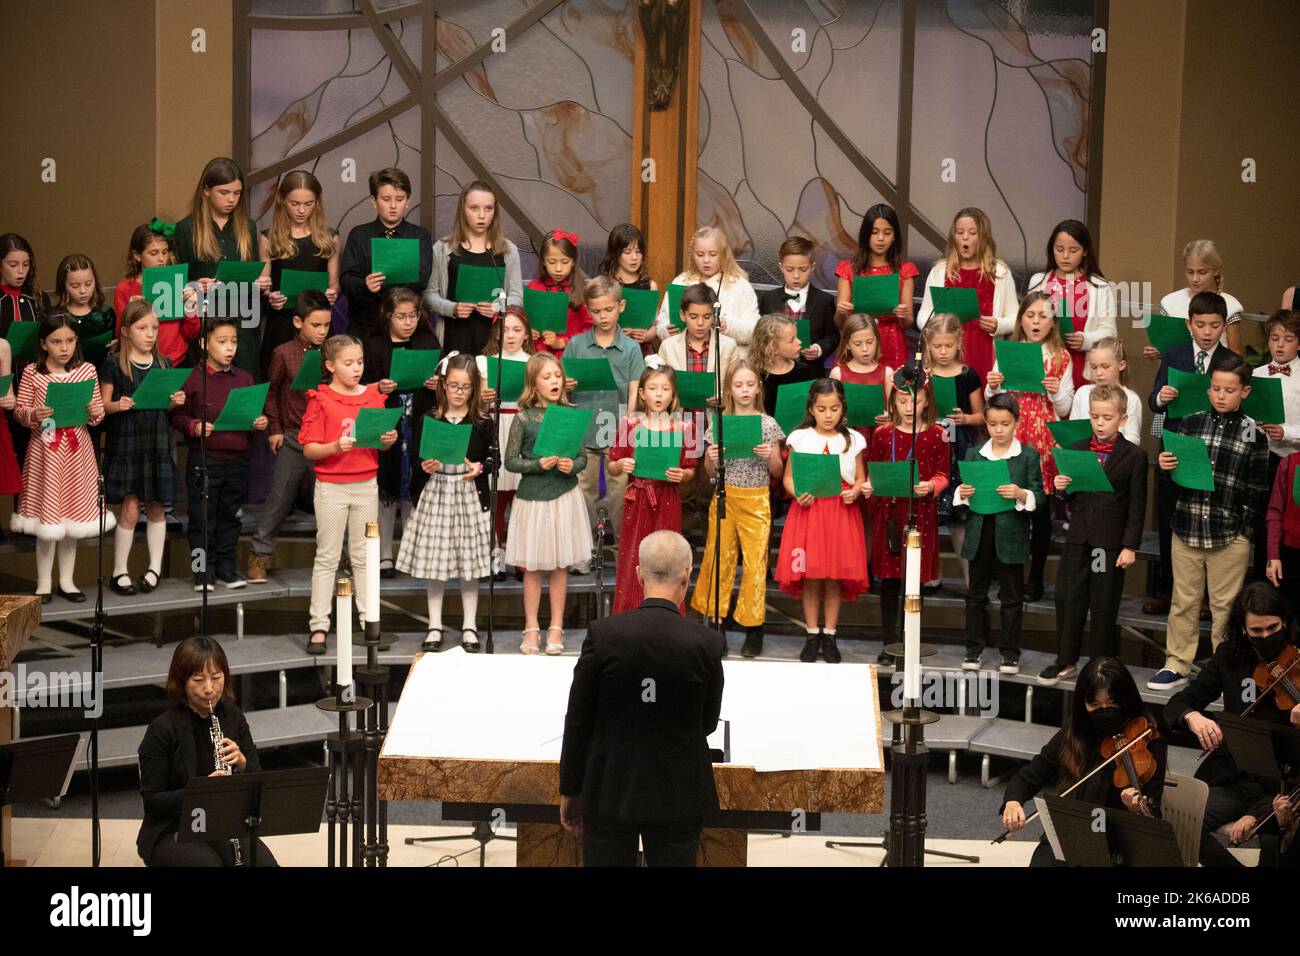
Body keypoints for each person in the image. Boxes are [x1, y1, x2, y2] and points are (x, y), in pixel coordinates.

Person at [559, 530, 724, 867]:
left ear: (637, 574)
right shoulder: (705, 643)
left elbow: (578, 720)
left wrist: (570, 788)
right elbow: (707, 722)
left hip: (609, 788)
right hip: (678, 790)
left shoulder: (602, 636)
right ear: (687, 575)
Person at [1152, 356, 1268, 690]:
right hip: (1187, 526)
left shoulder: (1254, 434)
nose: (1220, 395)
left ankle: (1223, 668)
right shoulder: (1190, 423)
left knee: (1225, 608)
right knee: (1183, 601)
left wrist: (1245, 534)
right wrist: (1165, 465)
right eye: (1215, 388)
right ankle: (1176, 663)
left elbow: (1257, 489)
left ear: (1244, 391)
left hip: (1228, 533)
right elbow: (1174, 476)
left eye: (1229, 390)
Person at [1165, 581, 1300, 866]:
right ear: (1243, 629)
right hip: (1232, 777)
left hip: (1283, 783)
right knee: (1180, 821)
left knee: (1275, 836)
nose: (1266, 637)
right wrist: (1193, 717)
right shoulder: (1230, 656)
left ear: (1285, 623)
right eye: (1257, 631)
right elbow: (1179, 703)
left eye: (1273, 629)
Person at [1001, 657, 1167, 867]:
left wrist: (1135, 809)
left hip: (1116, 845)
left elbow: (1154, 815)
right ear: (1082, 703)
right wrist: (1013, 801)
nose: (1104, 711)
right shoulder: (1074, 732)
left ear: (1127, 700)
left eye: (1112, 703)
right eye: (1095, 704)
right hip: (1069, 832)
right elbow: (1030, 774)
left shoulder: (1148, 739)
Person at [137, 636, 278, 867]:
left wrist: (242, 763)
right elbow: (152, 801)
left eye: (216, 678)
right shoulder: (161, 730)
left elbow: (258, 781)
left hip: (224, 821)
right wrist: (199, 792)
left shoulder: (233, 718)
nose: (209, 689)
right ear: (181, 681)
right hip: (173, 827)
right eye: (199, 679)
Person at [1040, 385, 1147, 684]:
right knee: (1068, 597)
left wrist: (1130, 546)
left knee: (1103, 601)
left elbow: (1137, 505)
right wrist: (1062, 489)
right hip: (1078, 536)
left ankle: (1101, 666)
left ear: (1122, 419)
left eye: (1107, 417)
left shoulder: (1134, 456)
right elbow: (1071, 499)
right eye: (1095, 416)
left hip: (1108, 543)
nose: (1100, 423)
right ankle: (1065, 660)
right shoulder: (1076, 449)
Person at [1144, 290, 1241, 616]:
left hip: (1212, 447)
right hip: (1175, 442)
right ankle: (1167, 589)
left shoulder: (1230, 361)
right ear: (1189, 324)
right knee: (1168, 515)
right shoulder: (1173, 354)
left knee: (1202, 519)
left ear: (1223, 326)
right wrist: (1163, 396)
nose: (1208, 331)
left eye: (1215, 325)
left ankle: (1200, 597)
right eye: (1201, 324)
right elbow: (1152, 400)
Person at [299, 334, 397, 654]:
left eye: (360, 362)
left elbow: (379, 443)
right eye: (348, 363)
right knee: (327, 556)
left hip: (366, 484)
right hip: (331, 487)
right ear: (330, 366)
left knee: (364, 556)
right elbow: (310, 450)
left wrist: (388, 439)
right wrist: (333, 446)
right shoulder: (321, 398)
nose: (357, 369)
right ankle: (319, 625)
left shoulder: (372, 396)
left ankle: (370, 619)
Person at [13, 314, 114, 600]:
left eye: (69, 341)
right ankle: (44, 583)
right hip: (45, 449)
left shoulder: (87, 371)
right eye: (56, 342)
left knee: (71, 517)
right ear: (44, 344)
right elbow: (20, 411)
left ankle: (67, 581)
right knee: (48, 519)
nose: (64, 347)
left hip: (76, 449)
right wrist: (34, 414)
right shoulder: (33, 372)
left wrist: (96, 413)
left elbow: (96, 414)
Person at [397, 354, 493, 652]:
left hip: (468, 494)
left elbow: (494, 459)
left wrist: (480, 468)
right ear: (443, 385)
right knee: (435, 564)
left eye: (465, 387)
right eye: (454, 386)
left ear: (474, 388)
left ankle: (469, 626)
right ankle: (434, 625)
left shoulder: (481, 420)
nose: (459, 392)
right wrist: (424, 465)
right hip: (437, 490)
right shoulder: (429, 417)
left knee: (469, 564)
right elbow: (415, 457)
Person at [984, 292, 1074, 602]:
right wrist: (994, 384)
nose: (1036, 322)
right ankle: (1009, 576)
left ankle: (1035, 578)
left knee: (1039, 508)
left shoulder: (1061, 356)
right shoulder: (1009, 350)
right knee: (1009, 505)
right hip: (1012, 431)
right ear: (1021, 318)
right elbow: (990, 397)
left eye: (1043, 316)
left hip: (1043, 436)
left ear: (1053, 321)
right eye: (1030, 315)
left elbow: (1065, 408)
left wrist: (1054, 391)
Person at [690, 359, 783, 657]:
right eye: (738, 385)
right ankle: (716, 625)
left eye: (750, 384)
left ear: (758, 388)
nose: (744, 390)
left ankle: (753, 627)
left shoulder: (767, 423)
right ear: (729, 389)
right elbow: (708, 471)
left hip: (756, 499)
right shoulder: (718, 422)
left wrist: (769, 455)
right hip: (725, 497)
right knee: (720, 559)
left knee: (755, 563)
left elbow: (778, 471)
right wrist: (712, 458)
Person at [504, 353, 593, 655]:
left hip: (564, 496)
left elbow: (582, 456)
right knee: (532, 566)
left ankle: (556, 626)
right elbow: (510, 462)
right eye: (546, 377)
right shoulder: (523, 418)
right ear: (534, 383)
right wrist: (537, 464)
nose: (554, 381)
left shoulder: (570, 414)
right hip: (533, 499)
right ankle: (531, 627)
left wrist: (573, 465)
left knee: (559, 565)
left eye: (557, 375)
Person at [775, 378, 869, 664]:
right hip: (809, 511)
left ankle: (830, 634)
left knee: (833, 577)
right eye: (822, 409)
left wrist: (855, 491)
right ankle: (811, 633)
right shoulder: (800, 438)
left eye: (834, 408)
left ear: (843, 409)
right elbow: (788, 477)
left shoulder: (853, 440)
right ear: (811, 409)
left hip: (840, 512)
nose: (828, 415)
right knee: (811, 575)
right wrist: (796, 494)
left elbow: (861, 477)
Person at [171, 317, 268, 591]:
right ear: (204, 344)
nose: (230, 348)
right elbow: (177, 416)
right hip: (205, 461)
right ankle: (203, 571)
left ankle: (226, 567)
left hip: (237, 459)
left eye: (234, 342)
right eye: (222, 342)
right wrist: (193, 426)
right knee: (202, 518)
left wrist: (259, 422)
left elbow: (252, 413)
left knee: (230, 517)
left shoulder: (245, 378)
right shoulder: (192, 378)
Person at [954, 393, 1044, 673]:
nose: (999, 430)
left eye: (1004, 423)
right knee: (975, 594)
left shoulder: (1028, 455)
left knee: (1011, 596)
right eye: (993, 424)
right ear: (986, 423)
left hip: (1011, 532)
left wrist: (1020, 493)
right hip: (980, 530)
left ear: (1016, 422)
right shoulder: (974, 453)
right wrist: (963, 492)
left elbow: (1040, 497)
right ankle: (974, 649)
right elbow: (962, 489)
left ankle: (1009, 652)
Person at [100, 301, 185, 596]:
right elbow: (103, 406)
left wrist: (175, 400)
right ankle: (119, 571)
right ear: (125, 331)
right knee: (131, 508)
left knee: (158, 506)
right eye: (142, 328)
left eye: (154, 328)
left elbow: (166, 404)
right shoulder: (114, 364)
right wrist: (117, 405)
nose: (150, 334)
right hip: (127, 442)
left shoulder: (164, 364)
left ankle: (154, 569)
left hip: (156, 441)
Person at [248, 290, 333, 582]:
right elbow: (271, 394)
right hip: (294, 438)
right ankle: (259, 555)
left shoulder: (333, 354)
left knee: (332, 501)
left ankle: (340, 556)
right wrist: (275, 430)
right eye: (316, 325)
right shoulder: (283, 353)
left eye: (326, 326)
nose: (322, 332)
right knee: (279, 497)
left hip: (326, 441)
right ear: (298, 322)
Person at [867, 381, 948, 664]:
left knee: (915, 583)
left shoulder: (938, 434)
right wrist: (870, 485)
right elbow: (874, 470)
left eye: (915, 401)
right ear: (893, 403)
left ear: (926, 401)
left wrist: (930, 485)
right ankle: (889, 643)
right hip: (890, 513)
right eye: (902, 402)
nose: (908, 408)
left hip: (921, 514)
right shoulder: (882, 434)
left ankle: (910, 642)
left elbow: (943, 473)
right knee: (889, 582)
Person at [608, 367, 695, 614]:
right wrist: (621, 464)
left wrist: (682, 475)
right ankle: (630, 615)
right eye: (653, 389)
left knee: (668, 556)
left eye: (665, 389)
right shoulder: (630, 423)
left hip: (667, 498)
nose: (659, 394)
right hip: (637, 499)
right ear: (643, 393)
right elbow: (612, 466)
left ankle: (666, 616)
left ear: (673, 395)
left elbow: (690, 470)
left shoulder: (683, 428)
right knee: (634, 557)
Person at [170, 157, 266, 379]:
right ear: (206, 190)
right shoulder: (186, 229)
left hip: (242, 320)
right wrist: (195, 285)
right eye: (224, 193)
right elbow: (175, 285)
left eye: (237, 193)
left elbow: (250, 274)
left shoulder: (247, 227)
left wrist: (258, 283)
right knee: (207, 388)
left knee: (243, 381)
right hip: (205, 321)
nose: (232, 199)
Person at [566, 277, 644, 532]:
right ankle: (584, 550)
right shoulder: (576, 345)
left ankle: (624, 547)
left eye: (608, 310)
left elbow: (634, 390)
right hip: (584, 429)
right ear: (588, 311)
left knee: (619, 492)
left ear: (621, 306)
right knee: (583, 491)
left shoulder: (631, 348)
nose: (603, 317)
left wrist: (627, 428)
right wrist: (565, 386)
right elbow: (561, 389)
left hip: (615, 430)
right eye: (596, 311)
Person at [915, 207, 1018, 385]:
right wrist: (937, 324)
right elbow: (923, 316)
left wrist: (998, 324)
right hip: (946, 353)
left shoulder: (1000, 272)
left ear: (983, 237)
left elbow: (1016, 318)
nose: (965, 238)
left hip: (985, 351)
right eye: (960, 232)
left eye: (972, 233)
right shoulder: (940, 271)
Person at [422, 179, 523, 355]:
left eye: (488, 209)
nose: (482, 216)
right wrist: (451, 308)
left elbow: (517, 297)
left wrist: (497, 307)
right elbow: (429, 295)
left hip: (494, 340)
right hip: (454, 337)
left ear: (495, 212)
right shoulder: (443, 248)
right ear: (463, 209)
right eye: (474, 208)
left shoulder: (508, 250)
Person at [339, 166, 433, 342]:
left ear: (408, 201)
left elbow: (421, 278)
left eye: (399, 199)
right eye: (386, 199)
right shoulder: (359, 234)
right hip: (366, 326)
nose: (393, 206)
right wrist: (365, 285)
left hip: (407, 328)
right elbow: (346, 280)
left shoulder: (419, 235)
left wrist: (383, 288)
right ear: (374, 201)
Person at [259, 170, 339, 368]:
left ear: (317, 203)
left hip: (318, 323)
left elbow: (334, 284)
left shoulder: (329, 238)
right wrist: (270, 295)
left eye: (308, 204)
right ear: (282, 200)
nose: (301, 210)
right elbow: (264, 285)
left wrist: (332, 293)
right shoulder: (269, 238)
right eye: (295, 204)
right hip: (282, 323)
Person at [1026, 219, 1117, 391]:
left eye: (1073, 250)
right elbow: (1025, 323)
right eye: (1059, 250)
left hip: (1082, 364)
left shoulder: (1099, 286)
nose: (1065, 256)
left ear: (1085, 251)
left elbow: (1110, 332)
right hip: (1045, 363)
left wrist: (1085, 339)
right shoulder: (1039, 281)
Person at [653, 226, 759, 356]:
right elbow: (662, 321)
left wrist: (729, 325)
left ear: (723, 255)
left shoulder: (739, 286)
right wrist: (666, 330)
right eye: (700, 255)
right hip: (686, 358)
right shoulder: (681, 282)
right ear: (693, 256)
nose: (706, 260)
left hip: (727, 362)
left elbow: (756, 330)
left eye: (713, 254)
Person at [114, 220, 200, 367]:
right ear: (138, 256)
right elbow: (121, 335)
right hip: (140, 363)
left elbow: (190, 334)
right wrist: (130, 313)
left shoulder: (177, 284)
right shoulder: (125, 289)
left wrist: (191, 308)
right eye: (153, 253)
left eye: (165, 252)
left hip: (177, 361)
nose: (161, 259)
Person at [758, 236, 838, 368]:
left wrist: (818, 348)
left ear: (812, 267)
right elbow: (761, 336)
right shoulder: (769, 299)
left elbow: (833, 336)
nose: (796, 276)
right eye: (790, 269)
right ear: (781, 267)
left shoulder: (824, 300)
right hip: (775, 372)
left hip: (810, 372)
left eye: (803, 269)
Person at [1068, 337, 1142, 446]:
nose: (1098, 373)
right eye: (1093, 367)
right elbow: (1072, 430)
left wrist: (1106, 447)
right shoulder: (1082, 393)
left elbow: (1133, 438)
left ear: (1121, 365)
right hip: (1084, 457)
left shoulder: (1131, 399)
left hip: (1116, 459)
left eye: (1105, 366)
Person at [527, 229, 591, 355]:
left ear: (573, 262)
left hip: (569, 355)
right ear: (544, 261)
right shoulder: (534, 287)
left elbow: (591, 330)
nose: (558, 269)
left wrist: (563, 342)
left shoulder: (582, 290)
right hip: (538, 356)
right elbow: (523, 321)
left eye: (565, 262)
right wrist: (528, 332)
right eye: (552, 262)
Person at [47, 253, 115, 365]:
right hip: (65, 375)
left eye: (88, 284)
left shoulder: (105, 314)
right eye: (75, 286)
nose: (83, 291)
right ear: (63, 285)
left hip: (101, 374)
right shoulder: (55, 316)